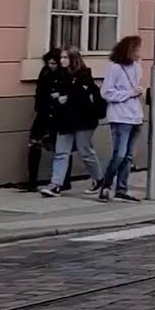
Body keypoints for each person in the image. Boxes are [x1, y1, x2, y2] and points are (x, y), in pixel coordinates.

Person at [40, 47, 105, 197]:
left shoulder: (83, 75)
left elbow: (84, 98)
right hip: (65, 120)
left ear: (73, 59)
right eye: (61, 57)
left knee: (85, 151)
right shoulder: (61, 75)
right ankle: (56, 184)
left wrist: (67, 98)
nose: (61, 60)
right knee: (61, 152)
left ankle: (98, 179)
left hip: (83, 120)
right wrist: (58, 97)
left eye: (65, 58)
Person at [98, 35, 145, 202]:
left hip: (135, 116)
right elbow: (106, 93)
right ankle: (106, 185)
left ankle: (122, 188)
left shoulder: (137, 67)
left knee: (129, 156)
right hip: (120, 117)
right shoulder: (115, 68)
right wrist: (129, 93)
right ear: (130, 50)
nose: (140, 52)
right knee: (119, 154)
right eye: (137, 49)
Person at [22, 49, 64, 192]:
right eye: (49, 63)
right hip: (43, 113)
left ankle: (63, 180)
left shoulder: (64, 73)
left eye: (53, 63)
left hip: (57, 115)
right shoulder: (45, 71)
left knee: (61, 147)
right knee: (34, 144)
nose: (51, 65)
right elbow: (39, 91)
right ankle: (32, 180)